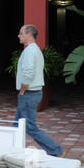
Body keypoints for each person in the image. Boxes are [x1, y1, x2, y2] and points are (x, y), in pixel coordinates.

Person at [14, 24, 64, 158]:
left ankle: (56, 150)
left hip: (29, 93)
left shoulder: (31, 51)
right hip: (30, 93)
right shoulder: (34, 50)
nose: (19, 36)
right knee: (17, 125)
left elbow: (28, 73)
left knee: (29, 127)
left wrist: (23, 90)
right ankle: (11, 150)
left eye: (21, 33)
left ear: (29, 35)